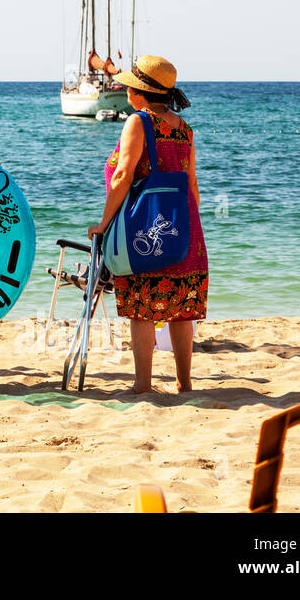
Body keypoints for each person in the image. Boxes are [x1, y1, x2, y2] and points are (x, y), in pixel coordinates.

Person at [88, 56, 207, 395]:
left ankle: (143, 385)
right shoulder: (183, 129)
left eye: (129, 84)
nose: (124, 87)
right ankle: (185, 384)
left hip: (146, 229)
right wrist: (188, 229)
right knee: (181, 311)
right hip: (184, 231)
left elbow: (124, 175)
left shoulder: (139, 122)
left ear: (140, 91)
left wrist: (104, 222)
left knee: (142, 307)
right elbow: (192, 184)